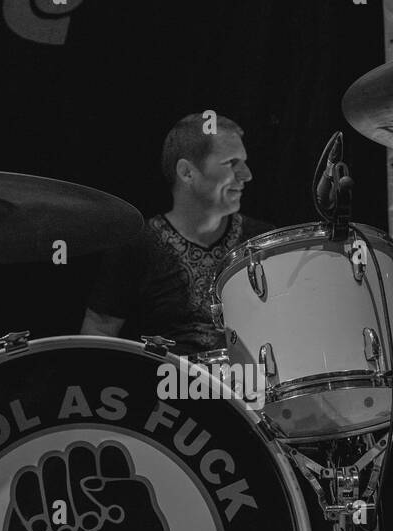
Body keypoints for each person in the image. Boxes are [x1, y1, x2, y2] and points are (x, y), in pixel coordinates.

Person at [81, 113, 271, 355]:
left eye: (243, 162)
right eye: (231, 163)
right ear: (187, 172)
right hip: (163, 377)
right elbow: (97, 332)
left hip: (247, 379)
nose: (246, 175)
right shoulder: (139, 244)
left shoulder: (261, 240)